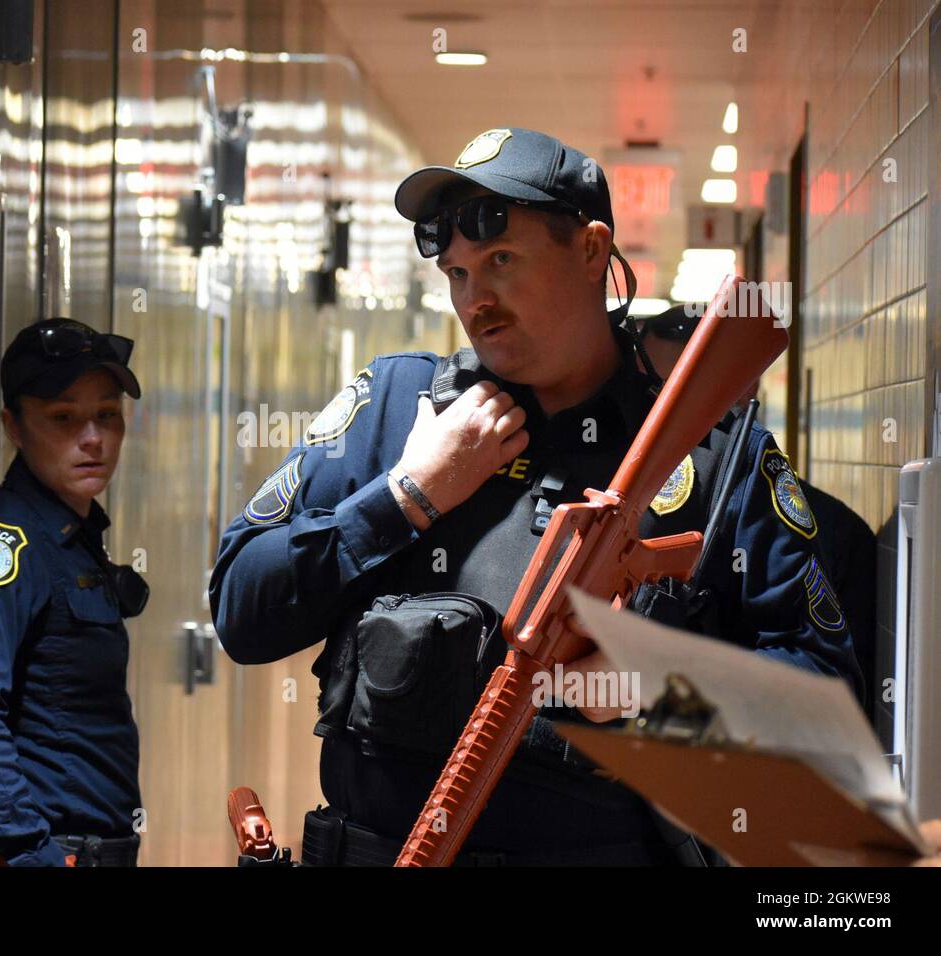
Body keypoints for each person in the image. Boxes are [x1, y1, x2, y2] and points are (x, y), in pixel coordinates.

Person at [209, 126, 863, 866]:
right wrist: (407, 496)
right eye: (456, 273)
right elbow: (240, 611)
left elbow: (827, 704)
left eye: (499, 261)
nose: (474, 298)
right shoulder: (398, 409)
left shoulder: (715, 457)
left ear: (591, 252)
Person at [0, 318, 149, 867]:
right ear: (14, 427)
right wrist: (31, 850)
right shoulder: (9, 545)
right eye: (63, 418)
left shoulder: (72, 535)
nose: (92, 437)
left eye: (106, 415)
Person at [635, 304, 879, 717]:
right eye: (649, 393)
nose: (660, 417)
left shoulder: (832, 530)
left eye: (683, 395)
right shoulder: (618, 501)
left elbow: (833, 692)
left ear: (745, 392)